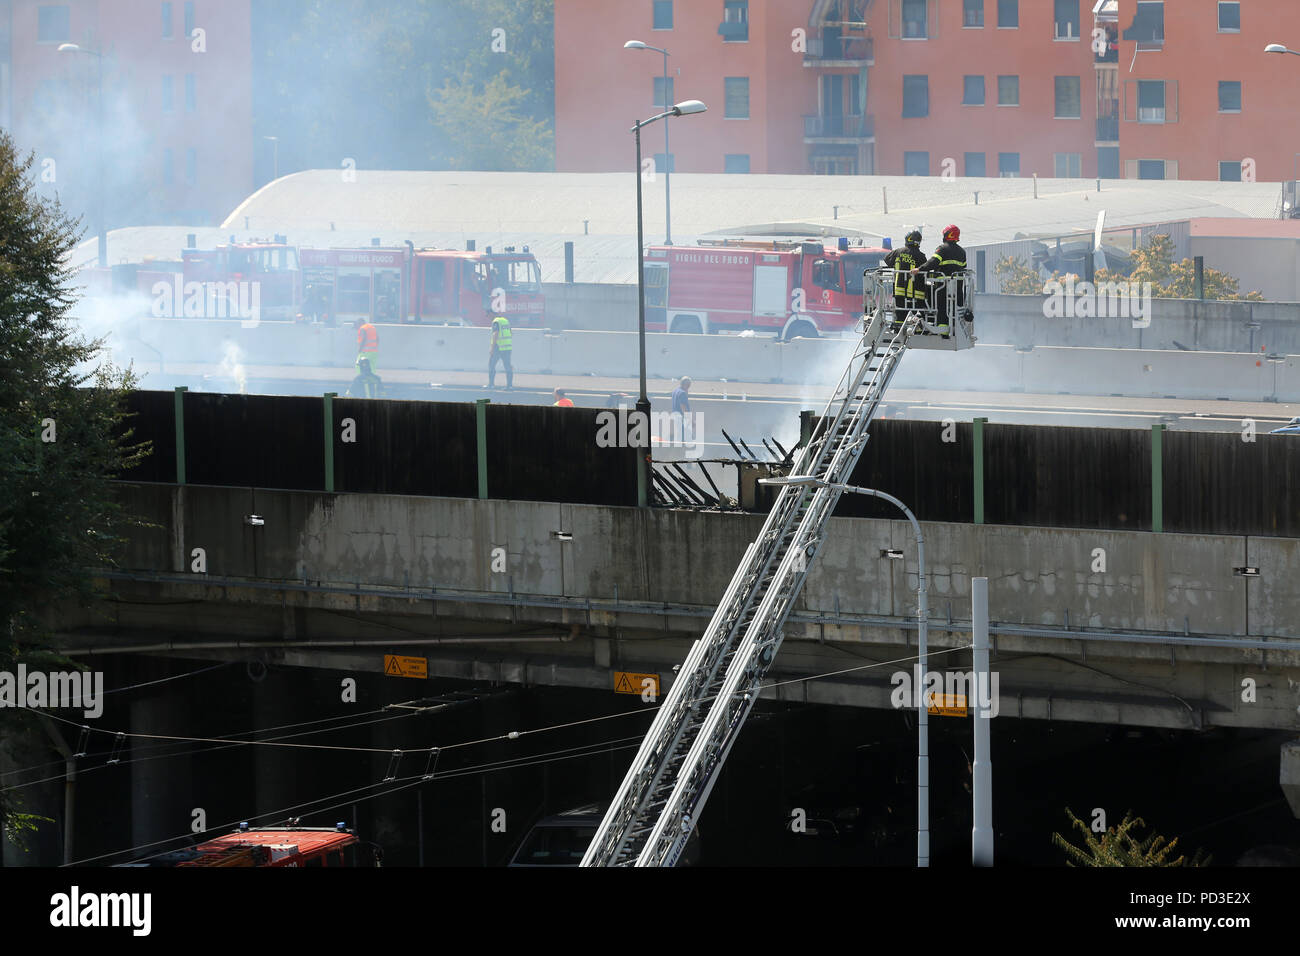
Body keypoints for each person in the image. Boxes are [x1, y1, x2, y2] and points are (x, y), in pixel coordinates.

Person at [910, 224, 969, 336]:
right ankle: (951, 327)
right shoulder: (962, 252)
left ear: (947, 235)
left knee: (941, 307)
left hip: (943, 286)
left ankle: (941, 327)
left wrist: (919, 269)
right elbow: (964, 267)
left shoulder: (942, 249)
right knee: (952, 308)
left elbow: (933, 262)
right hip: (957, 287)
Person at [883, 229, 927, 329]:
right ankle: (918, 331)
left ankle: (898, 332)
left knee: (900, 316)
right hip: (917, 294)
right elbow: (926, 269)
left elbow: (887, 259)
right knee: (919, 317)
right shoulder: (921, 256)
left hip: (900, 292)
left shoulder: (898, 252)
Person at [488, 314, 513, 389]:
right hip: (507, 347)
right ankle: (509, 386)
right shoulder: (506, 321)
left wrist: (492, 348)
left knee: (491, 365)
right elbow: (511, 333)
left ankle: (491, 385)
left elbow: (496, 334)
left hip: (498, 347)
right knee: (508, 366)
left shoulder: (496, 322)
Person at [671, 376, 692, 443]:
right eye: (688, 385)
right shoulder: (682, 393)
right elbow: (683, 407)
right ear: (686, 384)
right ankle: (682, 451)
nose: (689, 387)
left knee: (679, 435)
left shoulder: (675, 391)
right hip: (682, 418)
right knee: (684, 437)